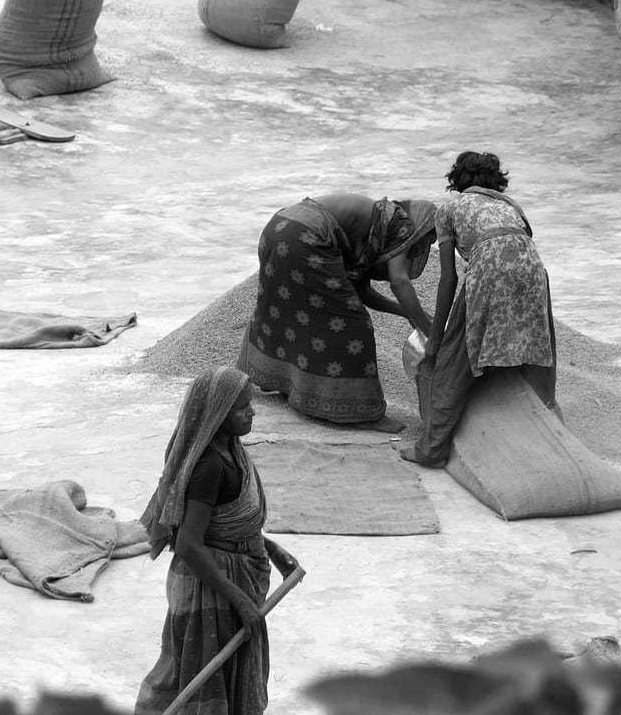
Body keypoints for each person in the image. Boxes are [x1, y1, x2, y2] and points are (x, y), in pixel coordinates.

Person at [135, 366, 300, 715]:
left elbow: (229, 523)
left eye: (250, 404)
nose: (252, 412)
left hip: (229, 576)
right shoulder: (209, 468)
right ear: (218, 413)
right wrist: (240, 600)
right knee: (194, 674)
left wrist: (269, 548)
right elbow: (189, 545)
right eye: (243, 407)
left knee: (226, 670)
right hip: (209, 586)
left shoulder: (233, 451)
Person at [401, 151, 559, 468]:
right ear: (496, 180)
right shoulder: (511, 206)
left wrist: (437, 340)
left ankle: (431, 450)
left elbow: (448, 278)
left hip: (488, 268)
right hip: (534, 271)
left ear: (456, 180)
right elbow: (520, 246)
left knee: (453, 361)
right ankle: (552, 435)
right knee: (536, 352)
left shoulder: (448, 210)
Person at [237, 193, 437, 432]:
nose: (425, 248)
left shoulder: (377, 228)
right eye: (428, 240)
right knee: (354, 326)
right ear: (421, 229)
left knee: (289, 311)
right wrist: (429, 328)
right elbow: (399, 282)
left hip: (278, 228)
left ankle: (285, 383)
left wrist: (405, 313)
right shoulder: (401, 225)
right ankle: (363, 413)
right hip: (306, 237)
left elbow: (361, 291)